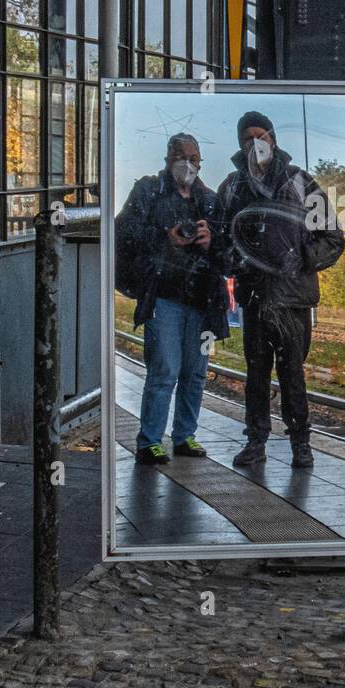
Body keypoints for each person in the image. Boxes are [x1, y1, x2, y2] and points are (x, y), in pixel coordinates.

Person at [216, 111, 345, 469]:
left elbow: (333, 239)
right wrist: (234, 260)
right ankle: (255, 442)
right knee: (256, 375)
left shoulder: (301, 182)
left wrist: (304, 257)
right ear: (240, 143)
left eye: (261, 136)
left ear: (273, 139)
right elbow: (221, 241)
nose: (255, 144)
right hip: (254, 298)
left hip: (292, 299)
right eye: (247, 138)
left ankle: (301, 444)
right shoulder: (232, 187)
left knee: (293, 375)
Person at [115, 133, 228, 466]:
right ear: (168, 158)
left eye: (195, 159)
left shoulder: (209, 200)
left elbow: (228, 249)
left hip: (203, 300)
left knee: (195, 373)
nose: (189, 165)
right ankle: (149, 441)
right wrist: (165, 236)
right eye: (182, 157)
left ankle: (185, 436)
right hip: (162, 296)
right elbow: (124, 230)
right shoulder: (149, 191)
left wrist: (211, 241)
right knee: (163, 370)